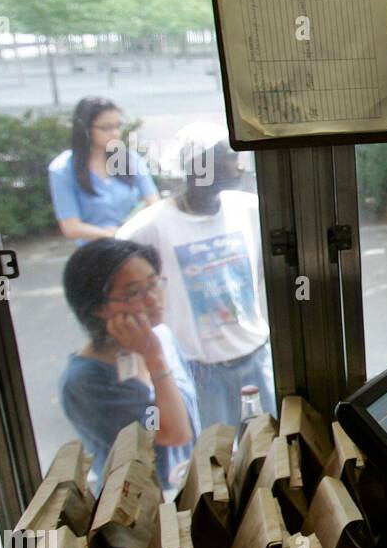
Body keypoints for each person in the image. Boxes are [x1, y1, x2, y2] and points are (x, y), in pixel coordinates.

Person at [117, 123, 274, 427]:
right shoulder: (150, 228)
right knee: (215, 459)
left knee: (272, 450)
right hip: (200, 370)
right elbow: (120, 285)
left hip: (256, 357)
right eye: (228, 157)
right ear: (200, 165)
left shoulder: (249, 210)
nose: (238, 164)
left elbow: (258, 272)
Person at [59, 238, 200, 490]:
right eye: (134, 292)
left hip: (184, 487)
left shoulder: (161, 336)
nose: (153, 299)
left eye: (154, 283)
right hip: (138, 507)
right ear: (98, 308)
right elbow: (174, 434)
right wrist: (154, 358)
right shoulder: (86, 380)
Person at [48, 96, 159, 244]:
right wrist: (111, 234)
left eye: (118, 126)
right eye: (106, 128)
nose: (116, 133)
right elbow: (71, 227)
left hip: (136, 245)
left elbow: (154, 203)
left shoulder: (130, 159)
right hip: (97, 253)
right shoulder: (63, 169)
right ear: (86, 129)